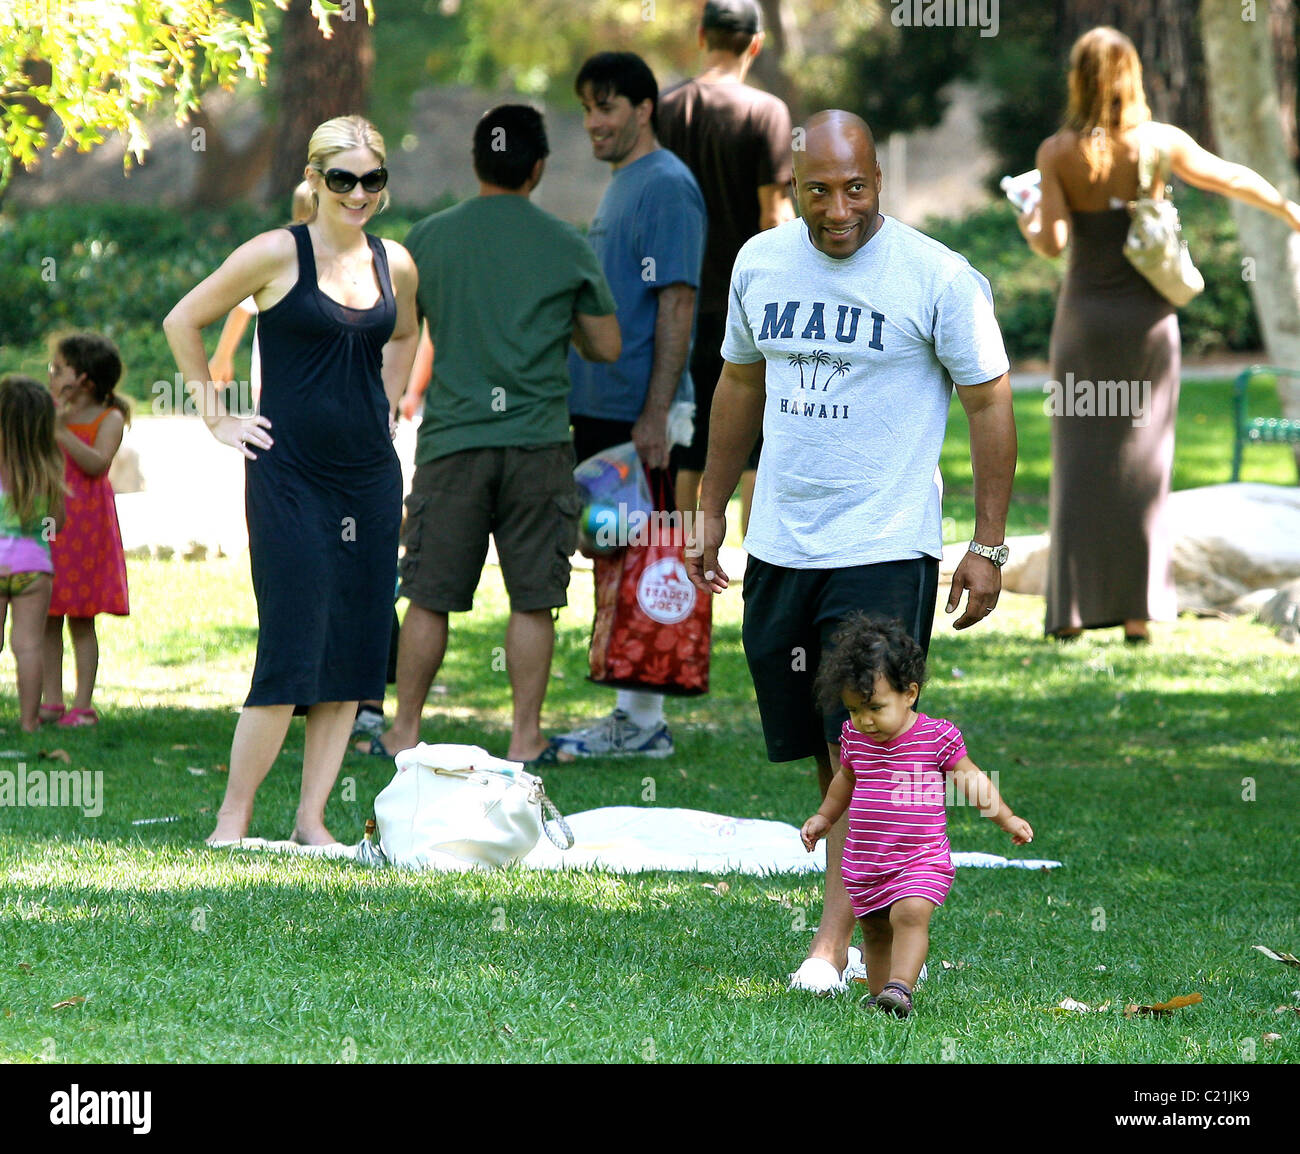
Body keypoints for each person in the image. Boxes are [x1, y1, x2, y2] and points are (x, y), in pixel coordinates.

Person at [686, 109, 1017, 994]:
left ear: (881, 180)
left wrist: (986, 545)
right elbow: (738, 384)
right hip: (784, 542)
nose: (838, 209)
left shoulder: (939, 278)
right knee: (830, 751)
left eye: (856, 188)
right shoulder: (760, 263)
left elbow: (990, 404)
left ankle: (831, 949)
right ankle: (875, 930)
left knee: (868, 736)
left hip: (885, 540)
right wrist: (710, 505)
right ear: (791, 189)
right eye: (817, 191)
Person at [164, 114, 420, 846]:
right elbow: (184, 321)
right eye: (343, 178)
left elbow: (404, 333)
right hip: (289, 477)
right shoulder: (276, 253)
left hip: (370, 479)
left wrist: (391, 407)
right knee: (293, 639)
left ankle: (311, 820)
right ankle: (232, 820)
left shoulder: (394, 262)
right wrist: (217, 419)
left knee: (356, 648)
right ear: (313, 178)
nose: (359, 192)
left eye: (372, 179)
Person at [1018, 26, 1300, 644]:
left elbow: (1054, 244)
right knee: (1146, 468)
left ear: (1079, 79)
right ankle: (1139, 614)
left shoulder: (1057, 152)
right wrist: (1287, 209)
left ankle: (1069, 613)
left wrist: (1030, 217)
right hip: (1146, 328)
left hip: (1084, 328)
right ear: (1131, 75)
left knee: (1080, 466)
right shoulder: (1159, 144)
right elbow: (1230, 178)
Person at [370, 103, 620, 766]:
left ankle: (404, 732)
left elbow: (400, 329)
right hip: (538, 444)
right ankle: (524, 737)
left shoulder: (427, 238)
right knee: (533, 597)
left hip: (452, 442)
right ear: (537, 168)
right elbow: (607, 344)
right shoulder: (568, 244)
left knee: (428, 593)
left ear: (478, 162)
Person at [551, 51, 706, 761]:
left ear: (644, 109)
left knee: (643, 557)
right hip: (604, 409)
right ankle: (629, 711)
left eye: (606, 107)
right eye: (587, 108)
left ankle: (643, 723)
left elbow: (677, 299)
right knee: (613, 553)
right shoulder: (624, 183)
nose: (593, 122)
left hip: (638, 415)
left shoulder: (668, 184)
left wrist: (655, 412)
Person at [801, 614, 1033, 1017]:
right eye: (854, 710)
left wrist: (1006, 818)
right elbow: (844, 781)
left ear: (909, 694)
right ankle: (881, 998)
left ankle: (901, 987)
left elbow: (972, 780)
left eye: (875, 707)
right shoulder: (855, 737)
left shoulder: (935, 736)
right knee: (874, 930)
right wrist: (823, 817)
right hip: (866, 859)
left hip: (919, 857)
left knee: (909, 913)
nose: (865, 720)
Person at [658, 0, 794, 533]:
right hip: (749, 304)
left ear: (701, 36)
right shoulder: (767, 113)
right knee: (757, 444)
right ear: (755, 44)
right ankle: (756, 567)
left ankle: (683, 571)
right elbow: (773, 216)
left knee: (689, 440)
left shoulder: (666, 110)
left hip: (679, 300)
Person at [41, 332, 131, 728]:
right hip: (49, 521)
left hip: (86, 529)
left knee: (80, 617)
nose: (51, 374)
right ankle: (51, 701)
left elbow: (97, 464)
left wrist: (58, 430)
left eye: (59, 369)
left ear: (85, 382)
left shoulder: (108, 418)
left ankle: (83, 705)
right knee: (47, 612)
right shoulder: (48, 412)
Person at [207, 181, 316, 399]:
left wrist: (223, 356)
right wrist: (222, 357)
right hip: (274, 381)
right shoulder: (280, 258)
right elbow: (243, 307)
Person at [0, 374, 65, 733]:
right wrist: (38, 534)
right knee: (27, 647)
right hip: (35, 568)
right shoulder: (48, 468)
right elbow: (57, 523)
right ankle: (28, 721)